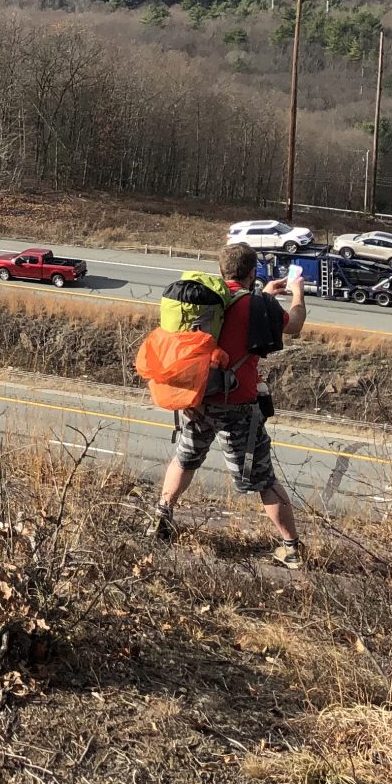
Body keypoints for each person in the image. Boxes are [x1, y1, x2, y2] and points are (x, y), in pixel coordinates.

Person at [152, 241, 308, 567]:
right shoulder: (257, 305)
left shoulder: (208, 302)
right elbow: (294, 325)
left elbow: (235, 315)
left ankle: (160, 517)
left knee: (185, 457)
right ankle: (291, 548)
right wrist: (296, 292)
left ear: (222, 270)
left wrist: (264, 292)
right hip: (236, 405)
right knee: (263, 479)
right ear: (253, 272)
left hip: (196, 398)